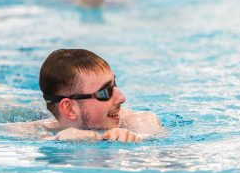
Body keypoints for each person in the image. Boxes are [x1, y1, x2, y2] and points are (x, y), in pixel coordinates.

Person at [10, 48, 164, 141]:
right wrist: (56, 139)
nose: (121, 98)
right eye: (105, 92)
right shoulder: (34, 129)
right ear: (70, 108)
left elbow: (153, 137)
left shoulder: (138, 120)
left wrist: (135, 137)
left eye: (114, 84)